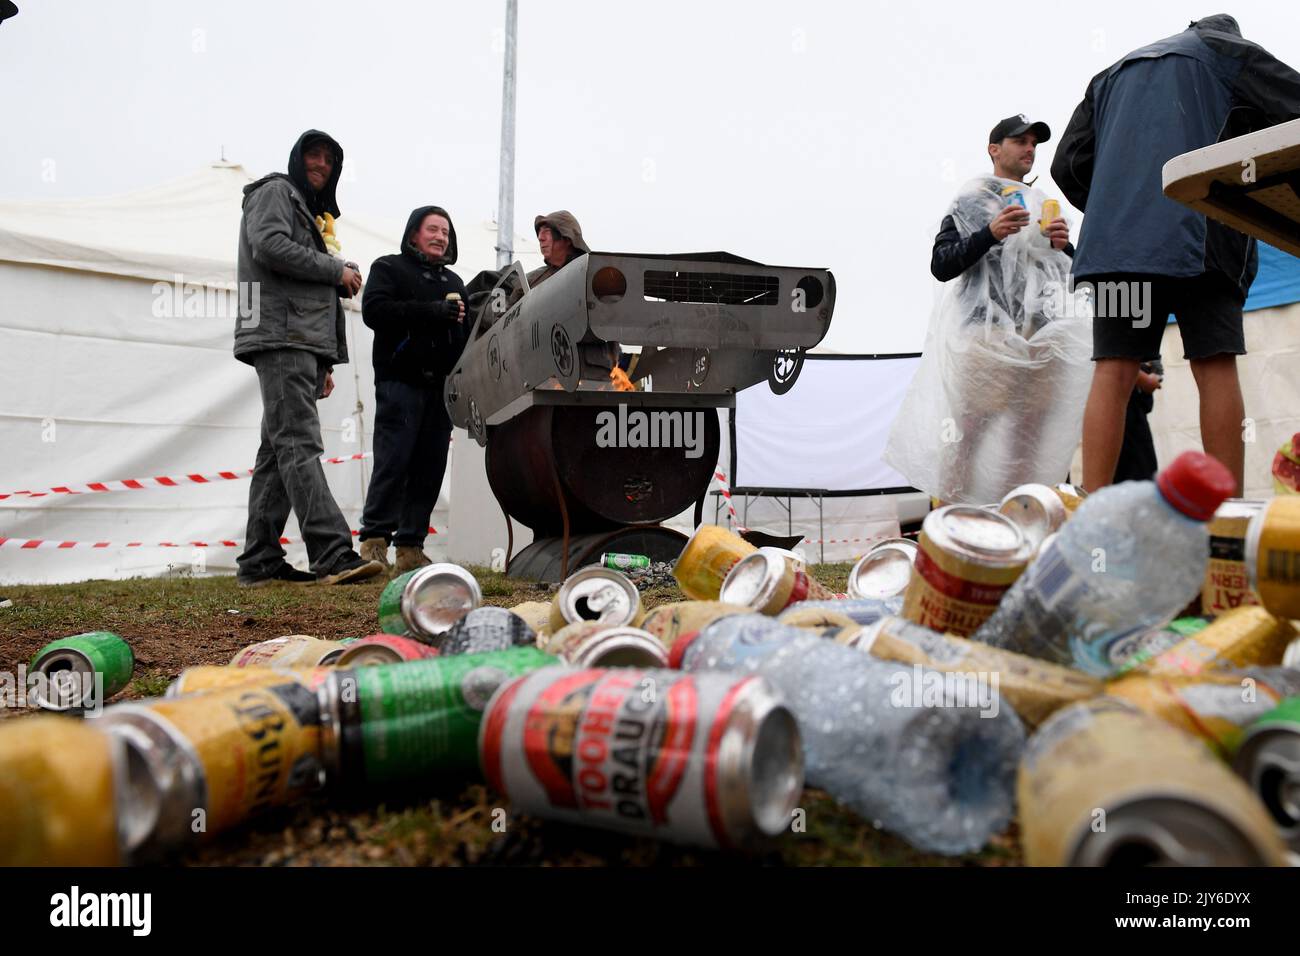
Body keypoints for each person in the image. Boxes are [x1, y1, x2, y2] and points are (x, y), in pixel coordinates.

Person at [1052, 14, 1300, 494]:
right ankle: (1221, 511)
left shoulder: (1110, 75)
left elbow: (1068, 163)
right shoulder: (1224, 51)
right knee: (1214, 363)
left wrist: (1122, 210)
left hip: (1120, 248)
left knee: (1115, 367)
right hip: (1203, 235)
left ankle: (1090, 508)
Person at [884, 115, 1092, 505]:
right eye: (1020, 141)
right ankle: (955, 523)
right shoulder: (972, 198)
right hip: (987, 336)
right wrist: (990, 233)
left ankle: (1019, 520)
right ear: (994, 149)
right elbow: (942, 264)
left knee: (1028, 438)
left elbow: (1075, 277)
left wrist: (1066, 247)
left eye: (1034, 143)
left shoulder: (1043, 202)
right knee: (969, 433)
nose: (1030, 148)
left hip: (1039, 340)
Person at [233, 130, 384, 588]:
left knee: (277, 452)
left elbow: (302, 279)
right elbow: (269, 246)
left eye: (330, 159)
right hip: (281, 335)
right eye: (314, 155)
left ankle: (259, 561)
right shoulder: (275, 191)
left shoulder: (306, 210)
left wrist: (325, 361)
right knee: (299, 444)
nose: (322, 164)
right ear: (297, 158)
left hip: (295, 338)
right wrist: (335, 270)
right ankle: (332, 551)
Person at [357, 206, 468, 574]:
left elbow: (463, 337)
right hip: (399, 381)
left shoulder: (454, 283)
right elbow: (374, 310)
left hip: (439, 389)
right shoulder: (388, 268)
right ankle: (374, 543)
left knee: (429, 467)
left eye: (446, 233)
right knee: (394, 461)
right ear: (413, 234)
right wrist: (433, 312)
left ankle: (410, 548)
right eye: (433, 229)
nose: (441, 237)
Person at [1114, 360, 1163, 483]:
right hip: (1124, 403)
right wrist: (1145, 379)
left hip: (1134, 403)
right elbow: (1114, 359)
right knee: (1139, 469)